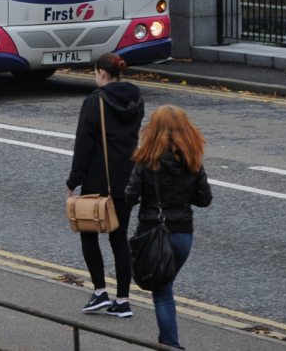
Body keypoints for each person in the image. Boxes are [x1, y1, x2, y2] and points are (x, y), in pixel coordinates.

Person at [125, 105, 213, 351]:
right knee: (165, 287)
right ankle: (165, 341)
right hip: (183, 234)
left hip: (153, 233)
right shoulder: (192, 161)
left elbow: (130, 195)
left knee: (162, 292)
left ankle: (171, 345)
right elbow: (204, 199)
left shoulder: (146, 160)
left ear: (153, 130)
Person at [66, 53, 145, 318]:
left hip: (98, 181)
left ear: (101, 73)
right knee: (119, 238)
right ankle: (122, 300)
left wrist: (73, 181)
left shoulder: (94, 102)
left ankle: (100, 291)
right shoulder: (136, 100)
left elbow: (84, 146)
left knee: (89, 235)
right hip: (126, 181)